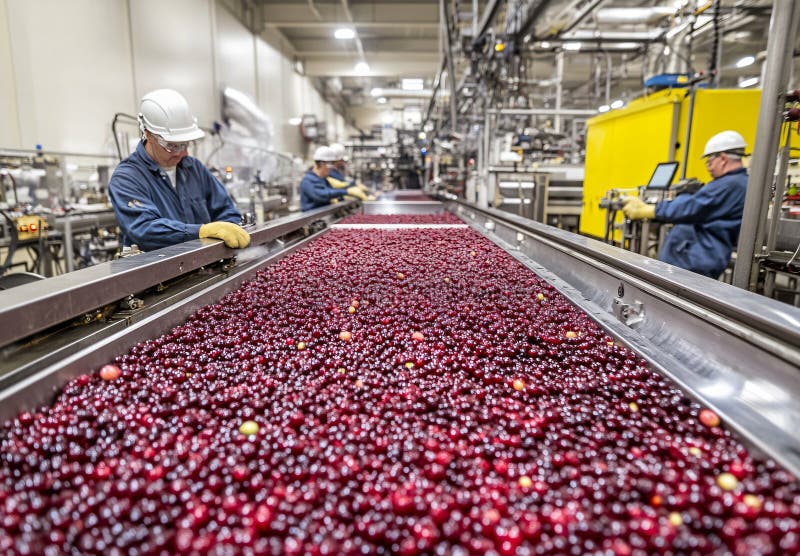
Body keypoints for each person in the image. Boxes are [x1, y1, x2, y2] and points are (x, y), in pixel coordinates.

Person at [109, 89, 250, 252]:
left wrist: (230, 231)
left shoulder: (194, 168)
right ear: (147, 134)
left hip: (203, 268)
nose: (183, 153)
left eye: (185, 143)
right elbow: (145, 229)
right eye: (173, 146)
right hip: (156, 273)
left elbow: (226, 211)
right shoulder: (127, 178)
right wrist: (200, 232)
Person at [622, 130, 748, 278]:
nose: (708, 167)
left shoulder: (730, 184)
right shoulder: (732, 183)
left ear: (723, 158)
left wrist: (650, 210)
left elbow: (691, 207)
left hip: (696, 259)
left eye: (709, 161)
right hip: (695, 256)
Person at [300, 146, 366, 211]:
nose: (331, 169)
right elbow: (321, 195)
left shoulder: (323, 180)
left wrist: (342, 196)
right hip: (310, 218)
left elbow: (331, 191)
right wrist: (347, 192)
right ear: (321, 164)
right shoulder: (308, 180)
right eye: (330, 164)